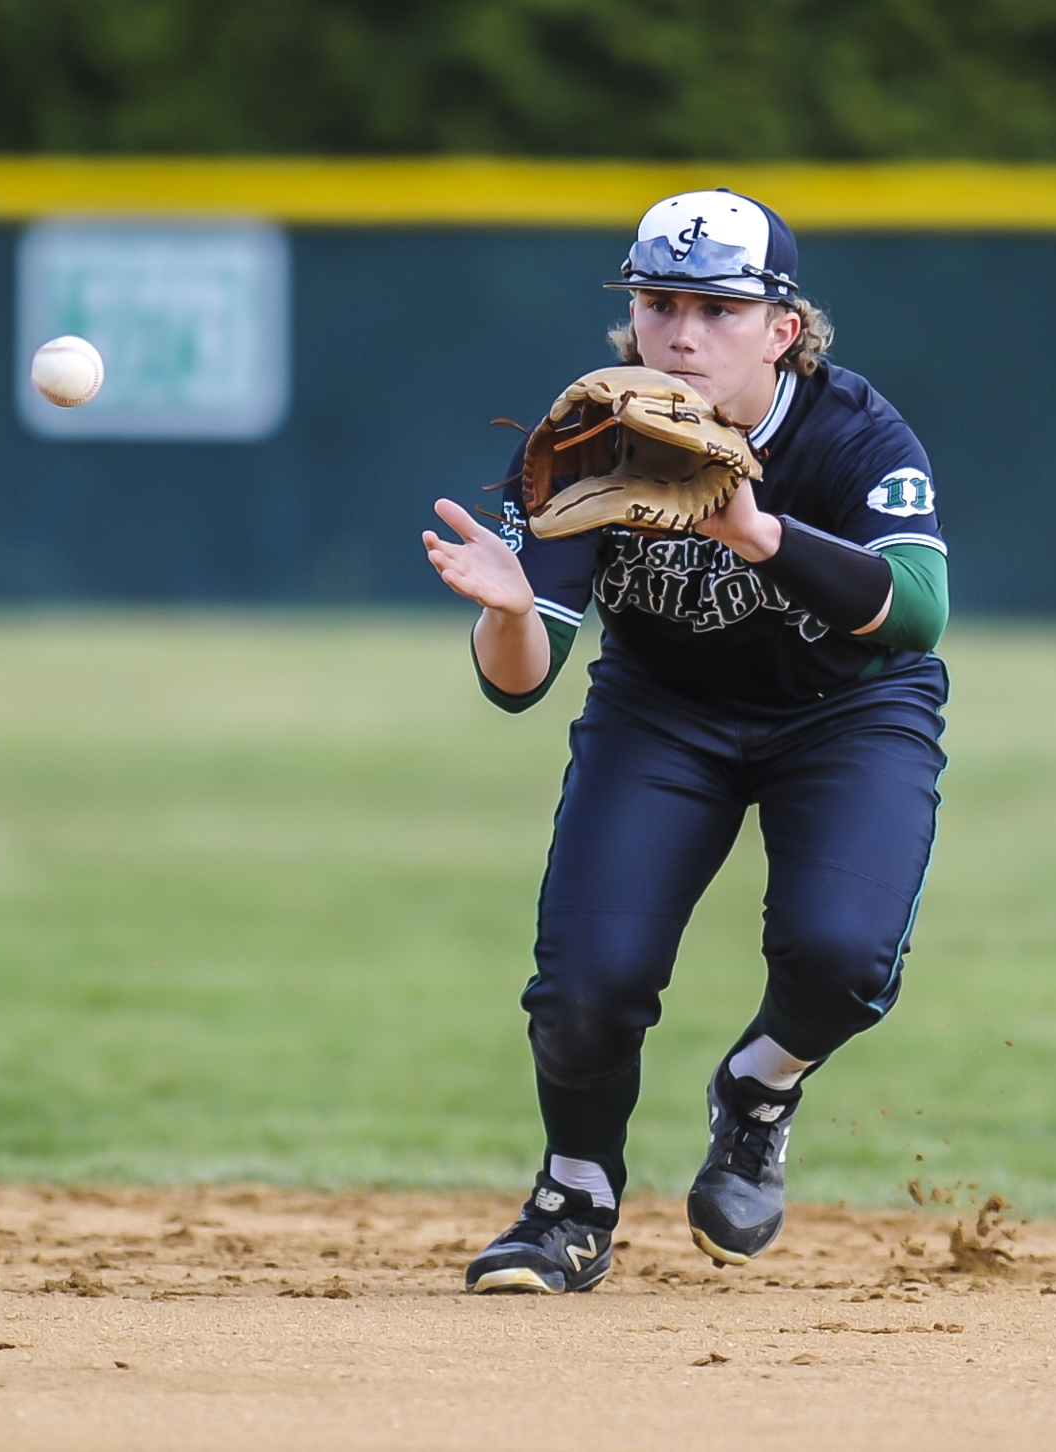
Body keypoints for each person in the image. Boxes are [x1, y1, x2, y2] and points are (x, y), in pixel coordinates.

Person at [421, 190, 950, 1295]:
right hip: (662, 713)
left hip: (845, 711)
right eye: (659, 303)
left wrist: (755, 532)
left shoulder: (852, 433)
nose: (681, 334)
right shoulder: (585, 436)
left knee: (841, 961)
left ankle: (758, 1087)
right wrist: (511, 610)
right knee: (586, 987)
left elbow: (914, 611)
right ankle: (572, 1204)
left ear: (781, 330)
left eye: (718, 309)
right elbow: (518, 686)